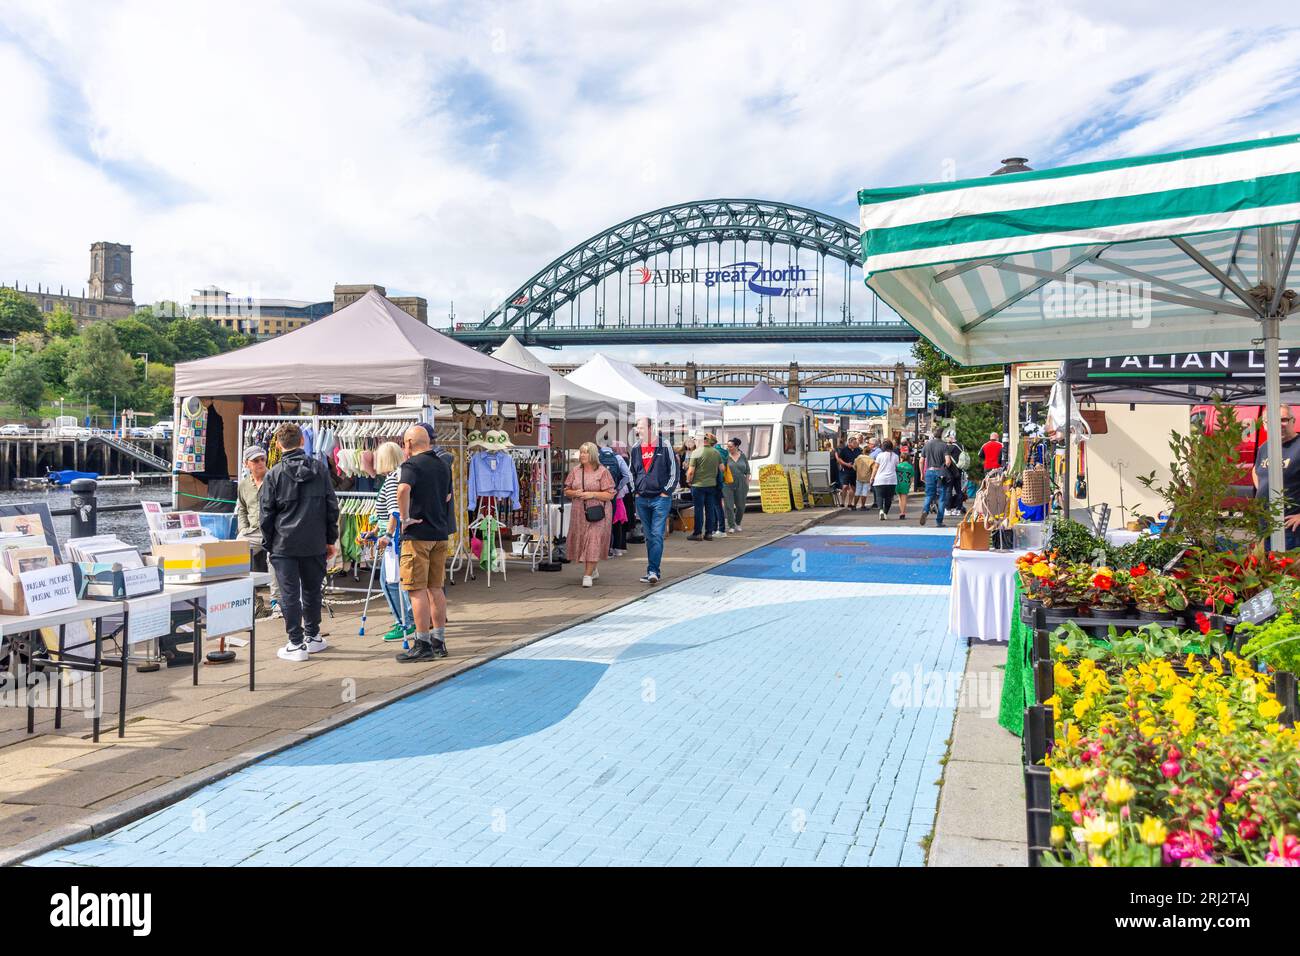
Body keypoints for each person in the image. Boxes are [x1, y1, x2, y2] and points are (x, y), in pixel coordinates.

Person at [260, 423, 339, 662]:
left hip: (284, 543)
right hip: (314, 541)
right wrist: (330, 539)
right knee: (313, 590)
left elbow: (266, 513)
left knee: (289, 593)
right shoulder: (319, 469)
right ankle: (313, 636)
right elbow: (331, 506)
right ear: (302, 442)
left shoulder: (273, 474)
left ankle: (295, 642)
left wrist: (268, 542)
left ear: (277, 444)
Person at [395, 425, 454, 662]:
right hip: (439, 533)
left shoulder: (411, 465)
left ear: (409, 443)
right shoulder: (443, 464)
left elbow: (403, 489)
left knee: (416, 589)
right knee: (436, 588)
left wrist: (405, 517)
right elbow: (447, 496)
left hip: (418, 534)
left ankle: (422, 643)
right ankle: (439, 640)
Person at [372, 440, 414, 643]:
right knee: (398, 581)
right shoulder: (401, 475)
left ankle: (404, 621)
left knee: (390, 582)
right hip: (398, 536)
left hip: (393, 539)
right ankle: (407, 618)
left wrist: (387, 535)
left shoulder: (390, 480)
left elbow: (394, 512)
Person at [630, 417, 677, 585]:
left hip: (660, 499)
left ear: (651, 428)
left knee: (657, 535)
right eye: (637, 427)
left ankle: (653, 571)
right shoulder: (635, 448)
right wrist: (635, 491)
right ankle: (652, 569)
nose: (638, 430)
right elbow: (631, 473)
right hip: (642, 499)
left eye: (641, 427)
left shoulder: (664, 446)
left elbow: (674, 471)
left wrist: (666, 492)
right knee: (649, 536)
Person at [564, 442, 617, 586]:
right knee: (583, 540)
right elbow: (566, 490)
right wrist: (575, 493)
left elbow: (610, 494)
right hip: (579, 512)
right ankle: (593, 569)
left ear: (592, 454)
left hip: (598, 513)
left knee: (593, 540)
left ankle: (587, 576)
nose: (582, 455)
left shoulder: (602, 471)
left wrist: (592, 494)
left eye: (585, 452)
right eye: (581, 452)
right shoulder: (575, 471)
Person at [235, 445, 280, 616]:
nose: (261, 463)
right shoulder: (243, 485)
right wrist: (243, 529)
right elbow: (242, 509)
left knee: (273, 557)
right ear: (247, 464)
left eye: (262, 459)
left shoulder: (274, 479)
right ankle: (251, 599)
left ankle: (276, 600)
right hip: (253, 531)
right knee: (236, 552)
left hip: (275, 530)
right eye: (255, 460)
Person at [1254, 404, 1300, 548]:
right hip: (1265, 527)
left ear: (1293, 421)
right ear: (1266, 425)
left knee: (1288, 570)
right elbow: (1256, 470)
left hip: (1290, 530)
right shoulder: (1265, 447)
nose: (1279, 425)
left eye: (1284, 419)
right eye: (1273, 420)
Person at [687, 433, 723, 541]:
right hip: (712, 485)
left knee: (698, 510)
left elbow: (691, 471)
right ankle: (709, 533)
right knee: (710, 510)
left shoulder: (696, 452)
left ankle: (697, 533)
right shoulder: (716, 452)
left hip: (698, 485)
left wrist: (689, 481)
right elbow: (722, 468)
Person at [598, 445, 633, 556]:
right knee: (614, 522)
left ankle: (602, 549)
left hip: (598, 495)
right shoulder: (618, 458)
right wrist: (617, 488)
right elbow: (627, 476)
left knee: (599, 522)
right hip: (615, 496)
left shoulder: (597, 456)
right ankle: (614, 548)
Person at [918, 431, 954, 527]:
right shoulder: (944, 445)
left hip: (929, 472)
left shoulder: (927, 445)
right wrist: (944, 468)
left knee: (929, 495)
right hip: (940, 472)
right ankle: (939, 521)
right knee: (942, 497)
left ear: (933, 436)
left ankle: (925, 510)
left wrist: (922, 473)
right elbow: (948, 461)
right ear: (941, 436)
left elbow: (921, 461)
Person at [721, 436, 750, 533]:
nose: (729, 448)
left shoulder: (743, 456)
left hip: (741, 482)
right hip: (727, 483)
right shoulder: (725, 456)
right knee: (728, 506)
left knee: (741, 506)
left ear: (736, 446)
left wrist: (746, 483)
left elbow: (748, 470)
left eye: (731, 446)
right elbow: (721, 469)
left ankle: (738, 523)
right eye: (728, 446)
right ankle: (731, 525)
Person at [873, 439, 900, 519]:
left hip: (880, 479)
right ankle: (885, 513)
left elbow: (875, 467)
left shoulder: (880, 455)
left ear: (883, 447)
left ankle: (881, 510)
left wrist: (872, 477)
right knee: (889, 497)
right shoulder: (895, 456)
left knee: (879, 496)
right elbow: (896, 467)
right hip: (891, 480)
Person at [834, 435, 863, 509]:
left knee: (853, 487)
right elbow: (839, 459)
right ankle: (842, 502)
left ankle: (850, 503)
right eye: (854, 443)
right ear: (849, 443)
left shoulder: (858, 450)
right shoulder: (844, 450)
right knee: (845, 486)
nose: (856, 444)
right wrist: (846, 464)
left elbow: (861, 459)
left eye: (856, 443)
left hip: (855, 471)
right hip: (845, 470)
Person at [853, 446, 877, 510]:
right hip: (867, 478)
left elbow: (854, 467)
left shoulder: (858, 458)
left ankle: (854, 505)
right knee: (864, 492)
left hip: (859, 477)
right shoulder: (871, 460)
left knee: (857, 491)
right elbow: (873, 469)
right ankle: (863, 506)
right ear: (870, 452)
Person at [895, 450, 915, 520]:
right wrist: (910, 484)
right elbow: (912, 477)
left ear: (902, 458)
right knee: (904, 498)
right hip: (906, 483)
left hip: (898, 483)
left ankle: (901, 511)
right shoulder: (910, 467)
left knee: (900, 498)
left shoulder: (898, 466)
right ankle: (902, 512)